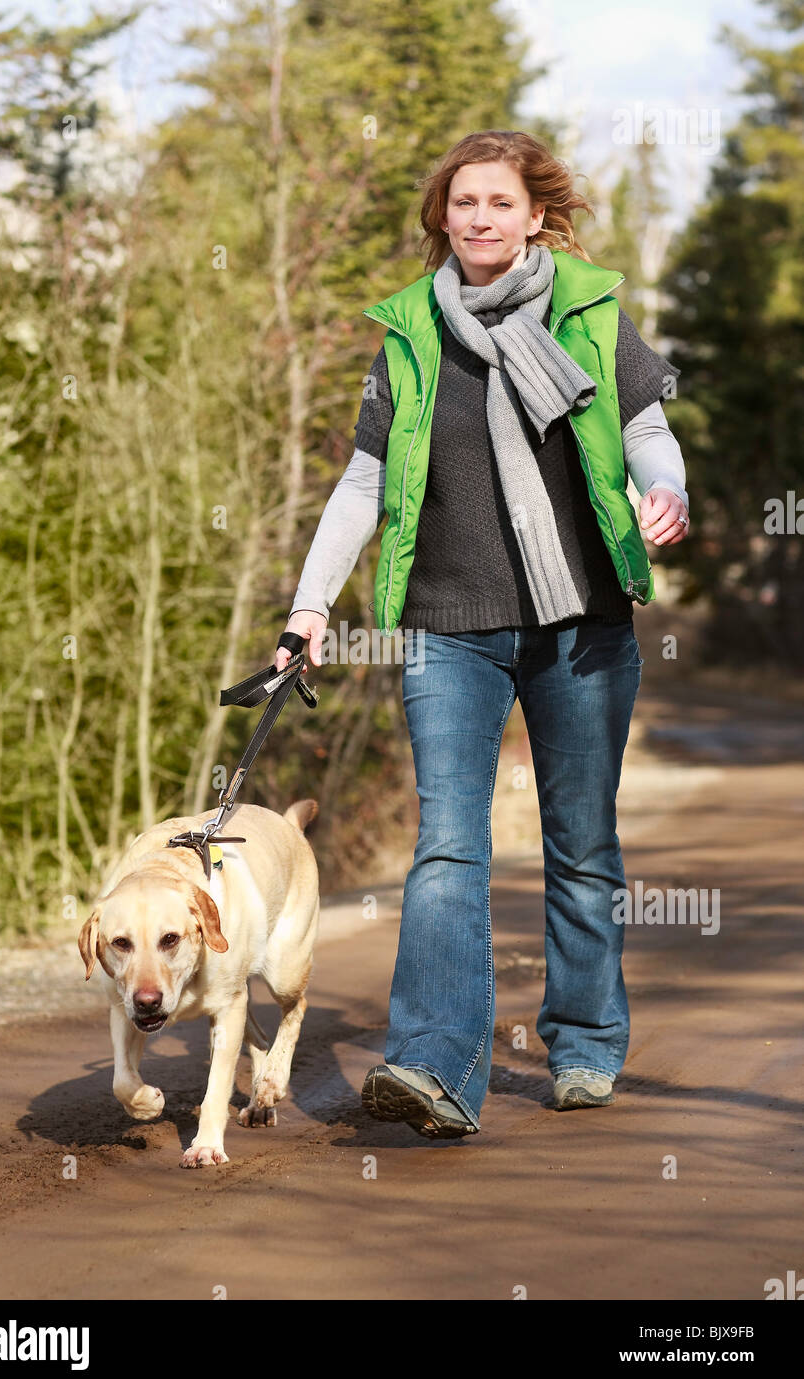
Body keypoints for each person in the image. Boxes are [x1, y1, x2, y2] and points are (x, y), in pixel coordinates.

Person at [275, 130, 690, 1139]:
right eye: (461, 203)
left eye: (497, 202)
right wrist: (309, 602)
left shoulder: (589, 309)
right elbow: (367, 478)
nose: (477, 219)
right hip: (445, 628)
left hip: (580, 622)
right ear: (441, 218)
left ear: (533, 216)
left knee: (580, 842)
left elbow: (643, 425)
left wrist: (664, 488)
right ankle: (435, 1067)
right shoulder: (411, 330)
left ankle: (585, 1043)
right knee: (448, 847)